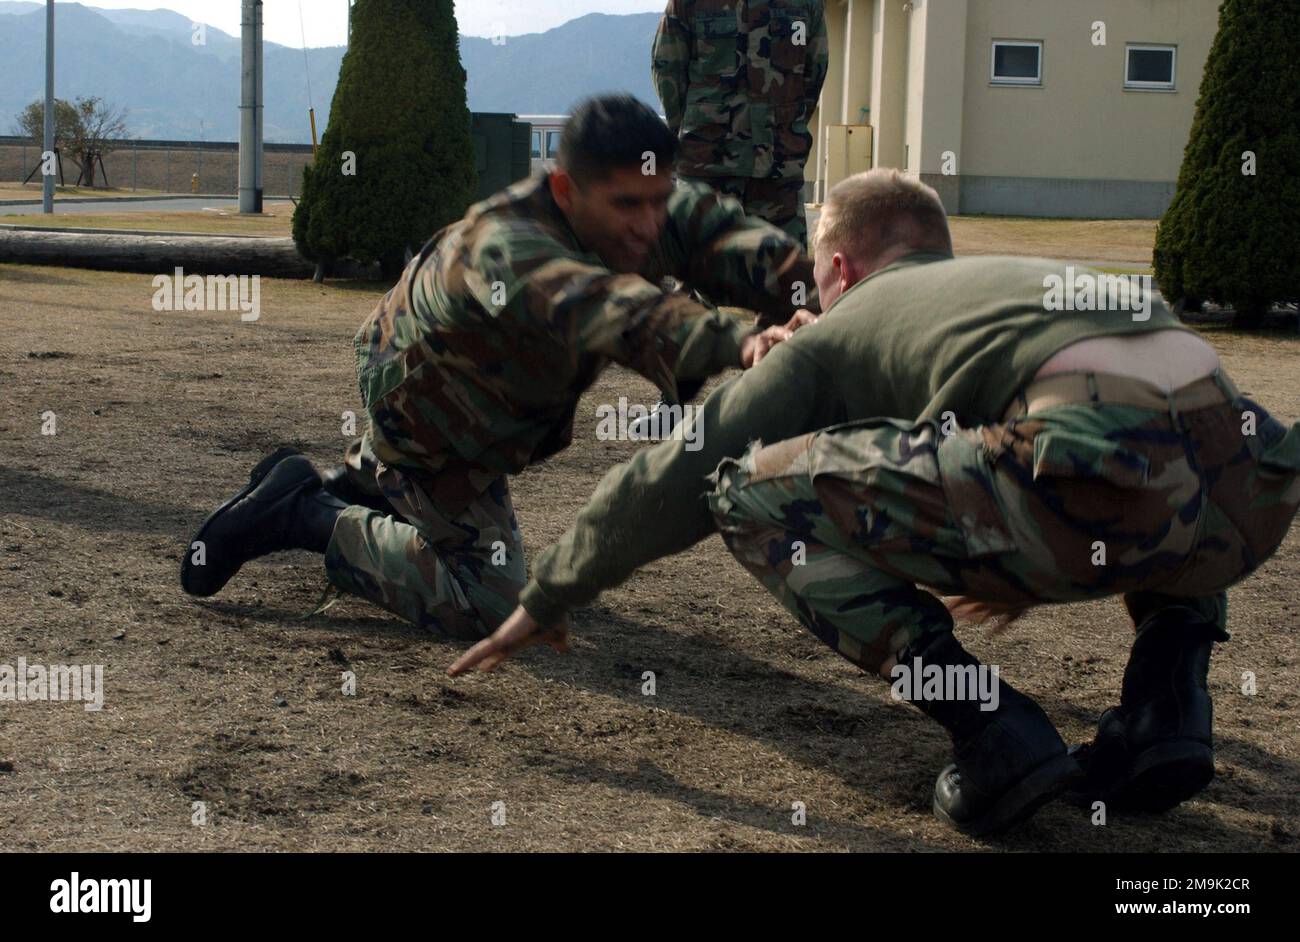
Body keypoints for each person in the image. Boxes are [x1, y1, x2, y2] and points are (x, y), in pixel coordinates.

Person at [449, 168, 1300, 836]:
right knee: (1171, 437)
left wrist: (550, 591)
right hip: (1249, 502)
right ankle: (1168, 705)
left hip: (1091, 484)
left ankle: (992, 730)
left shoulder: (846, 321)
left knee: (743, 491)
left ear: (840, 268)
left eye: (816, 277)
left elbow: (680, 466)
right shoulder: (1016, 287)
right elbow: (1158, 431)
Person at [180, 94, 818, 639]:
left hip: (479, 405)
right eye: (630, 206)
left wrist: (821, 298)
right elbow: (601, 305)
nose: (649, 224)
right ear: (567, 189)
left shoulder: (636, 201)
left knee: (452, 490)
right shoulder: (509, 248)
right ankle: (306, 516)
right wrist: (740, 342)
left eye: (660, 199)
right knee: (490, 599)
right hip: (423, 403)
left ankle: (350, 487)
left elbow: (728, 238)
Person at [653, 0, 829, 248]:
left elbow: (814, 69)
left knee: (783, 271)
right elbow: (669, 69)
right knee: (701, 268)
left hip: (776, 174)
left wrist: (788, 126)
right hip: (709, 169)